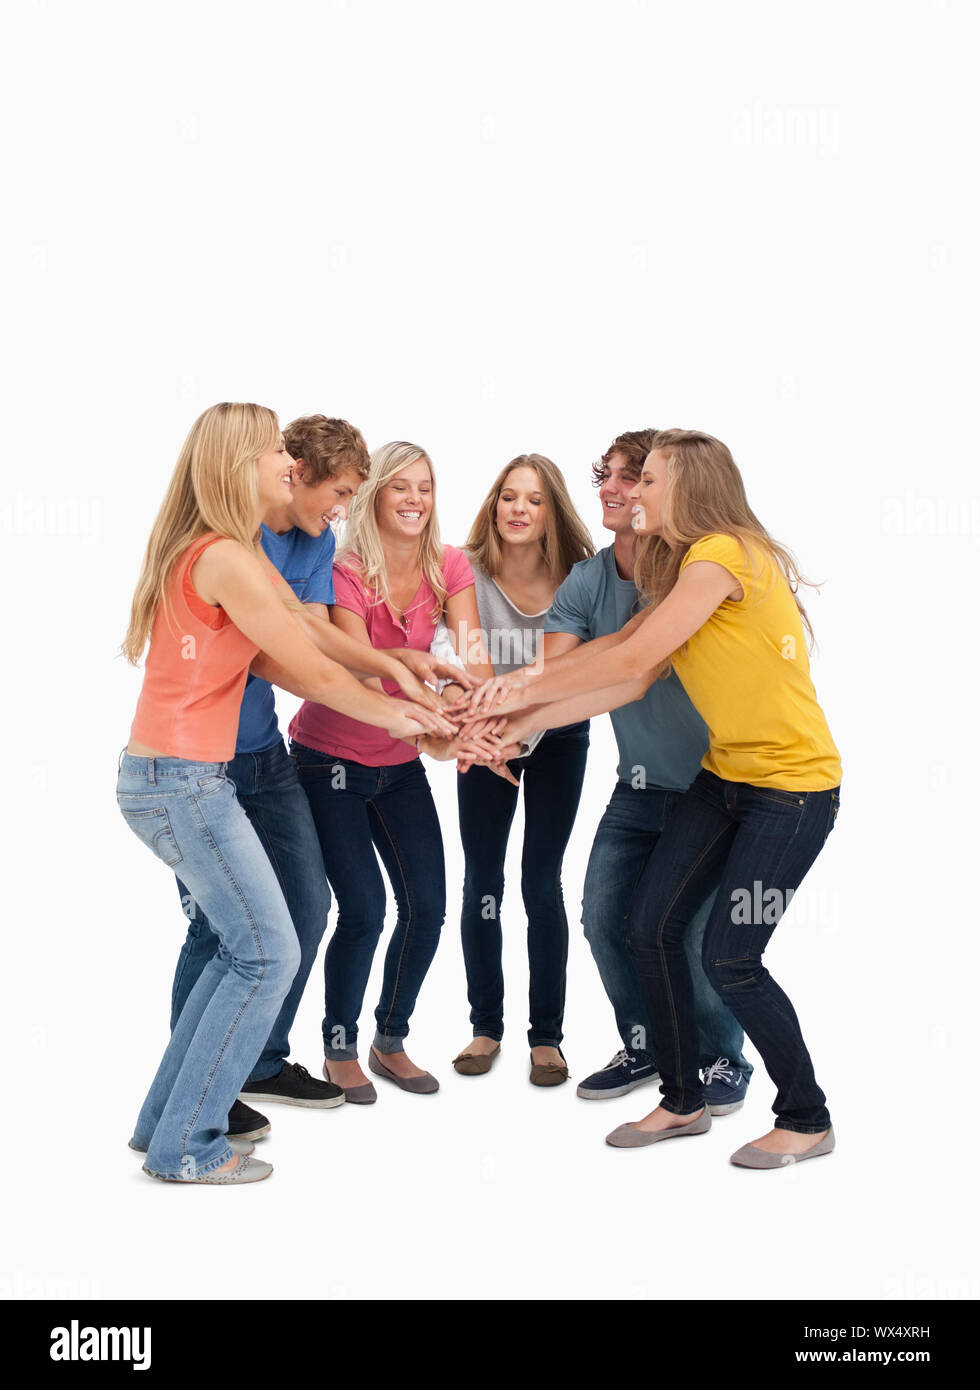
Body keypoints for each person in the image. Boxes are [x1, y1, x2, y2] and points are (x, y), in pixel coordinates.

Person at [474, 430, 841, 1167]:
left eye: (648, 480)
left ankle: (806, 1115)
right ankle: (682, 1100)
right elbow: (624, 674)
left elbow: (632, 657)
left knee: (732, 957)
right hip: (723, 779)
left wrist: (512, 691)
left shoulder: (722, 556)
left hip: (791, 792)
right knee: (647, 926)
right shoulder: (683, 572)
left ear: (686, 487)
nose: (631, 493)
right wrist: (512, 714)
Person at [117, 404, 456, 1183]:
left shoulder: (226, 554)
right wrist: (410, 720)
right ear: (241, 463)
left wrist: (399, 674)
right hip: (185, 783)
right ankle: (188, 1149)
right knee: (266, 952)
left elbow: (293, 651)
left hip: (175, 780)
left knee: (254, 946)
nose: (285, 461)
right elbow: (306, 671)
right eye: (273, 450)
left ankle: (159, 1124)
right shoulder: (228, 558)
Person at [540, 430, 751, 1111]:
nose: (612, 488)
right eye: (607, 475)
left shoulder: (693, 573)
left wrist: (508, 705)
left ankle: (722, 1059)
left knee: (693, 935)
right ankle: (648, 1044)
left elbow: (630, 664)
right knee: (605, 917)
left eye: (634, 478)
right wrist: (496, 715)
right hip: (638, 788)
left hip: (715, 788)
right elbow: (554, 673)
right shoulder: (587, 579)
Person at [289, 442, 497, 1103]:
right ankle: (338, 1046)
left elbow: (472, 656)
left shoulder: (451, 565)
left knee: (428, 906)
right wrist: (431, 703)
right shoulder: (343, 567)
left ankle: (390, 1039)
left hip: (400, 762)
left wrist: (473, 717)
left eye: (426, 487)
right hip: (331, 760)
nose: (414, 499)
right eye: (399, 487)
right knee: (364, 910)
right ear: (374, 494)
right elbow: (353, 667)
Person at [448, 455, 594, 1086]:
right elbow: (469, 659)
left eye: (533, 501)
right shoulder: (466, 572)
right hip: (484, 741)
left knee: (542, 879)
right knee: (482, 879)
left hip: (560, 734)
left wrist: (522, 732)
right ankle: (485, 1027)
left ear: (551, 511)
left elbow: (573, 678)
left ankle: (548, 1037)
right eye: (508, 497)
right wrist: (489, 739)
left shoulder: (581, 580)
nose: (518, 510)